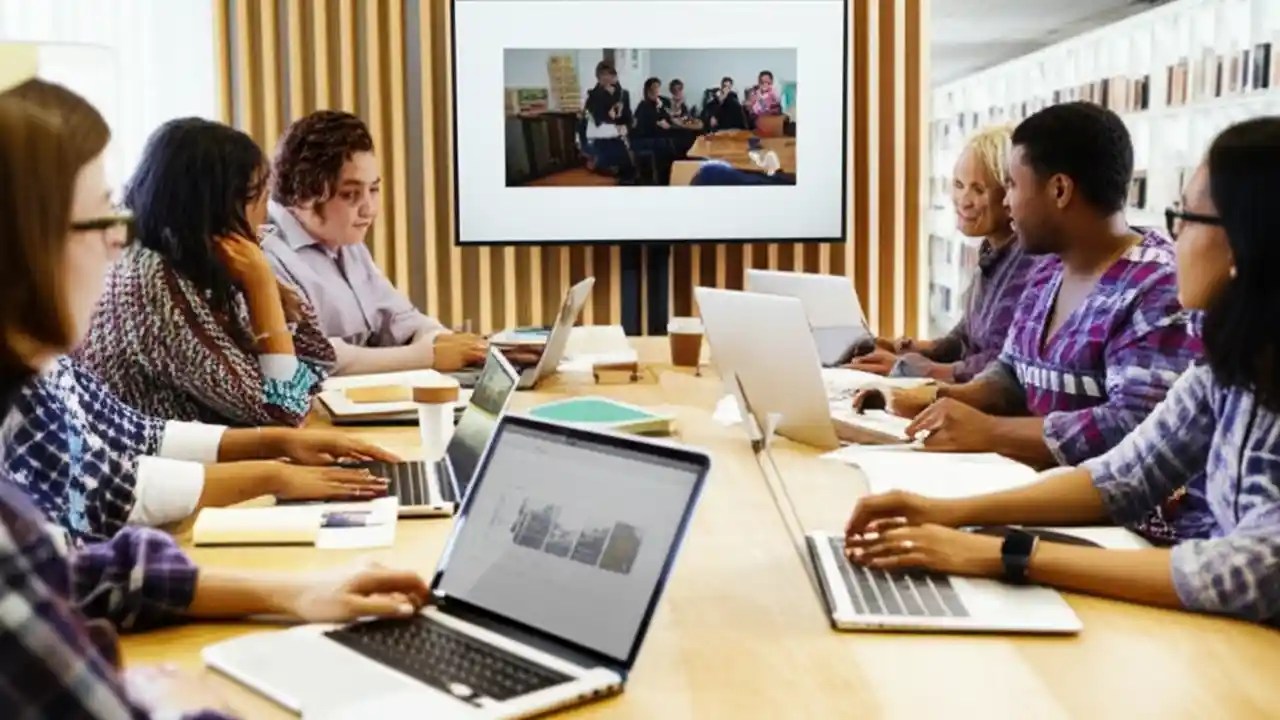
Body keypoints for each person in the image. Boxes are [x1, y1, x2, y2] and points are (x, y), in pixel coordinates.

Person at [0, 79, 429, 718]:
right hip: (180, 520)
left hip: (173, 526)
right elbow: (279, 406)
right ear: (26, 244)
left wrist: (300, 592)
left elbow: (85, 556)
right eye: (102, 218)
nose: (118, 240)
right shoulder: (149, 284)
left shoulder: (200, 273)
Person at [844, 117, 1280, 626]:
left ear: (1244, 244)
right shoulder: (1226, 370)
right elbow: (1123, 476)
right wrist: (945, 512)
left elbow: (1258, 568)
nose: (1172, 233)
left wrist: (1009, 554)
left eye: (1184, 217)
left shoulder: (1162, 294)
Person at [854, 102, 1205, 542]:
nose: (1005, 202)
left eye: (1012, 186)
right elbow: (1011, 370)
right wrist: (943, 398)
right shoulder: (1047, 269)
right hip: (1026, 491)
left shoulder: (1157, 287)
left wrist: (993, 432)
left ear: (1059, 190)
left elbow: (1133, 427)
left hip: (1117, 528)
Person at [78, 117, 335, 427]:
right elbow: (286, 410)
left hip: (219, 462)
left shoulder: (193, 262)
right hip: (181, 470)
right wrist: (262, 288)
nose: (265, 215)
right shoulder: (153, 286)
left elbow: (319, 365)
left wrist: (269, 293)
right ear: (217, 205)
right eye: (260, 198)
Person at [7, 354, 398, 546]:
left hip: (156, 529)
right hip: (139, 535)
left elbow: (136, 433)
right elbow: (287, 405)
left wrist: (277, 444)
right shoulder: (164, 286)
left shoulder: (42, 351)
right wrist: (272, 472)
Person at [263, 110, 486, 376]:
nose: (369, 209)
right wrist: (425, 356)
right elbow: (315, 356)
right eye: (350, 194)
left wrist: (454, 344)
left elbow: (399, 319)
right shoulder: (266, 255)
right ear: (304, 194)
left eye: (374, 189)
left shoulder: (343, 238)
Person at [851, 125, 1041, 382]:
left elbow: (1002, 364)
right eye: (959, 185)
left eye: (979, 189)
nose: (964, 200)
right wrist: (913, 348)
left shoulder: (1029, 263)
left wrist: (912, 368)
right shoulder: (992, 252)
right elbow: (965, 337)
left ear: (1009, 194)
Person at [583, 61, 636, 184]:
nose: (607, 78)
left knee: (628, 167)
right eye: (603, 75)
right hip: (603, 135)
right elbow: (596, 119)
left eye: (609, 75)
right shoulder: (593, 96)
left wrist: (626, 127)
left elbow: (628, 117)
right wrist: (611, 116)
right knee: (614, 159)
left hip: (620, 135)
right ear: (598, 78)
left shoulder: (623, 94)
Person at [631, 77, 676, 185]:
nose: (657, 90)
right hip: (645, 138)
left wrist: (662, 113)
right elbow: (641, 126)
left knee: (672, 143)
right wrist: (657, 122)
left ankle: (668, 177)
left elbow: (668, 118)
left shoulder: (661, 102)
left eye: (658, 88)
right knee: (664, 145)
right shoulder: (643, 105)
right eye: (654, 88)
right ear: (648, 90)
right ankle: (659, 180)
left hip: (658, 136)